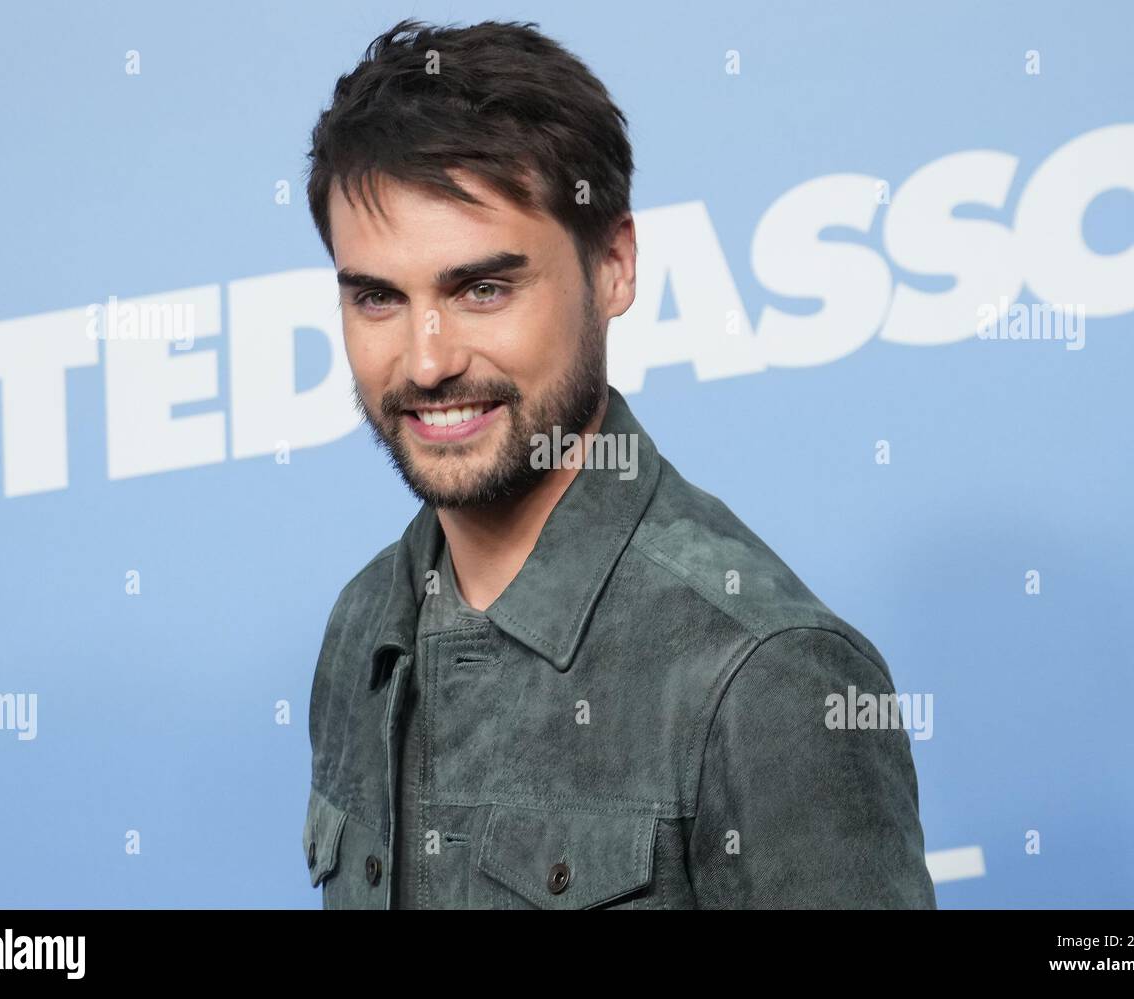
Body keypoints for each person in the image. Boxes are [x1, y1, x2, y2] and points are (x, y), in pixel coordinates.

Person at [301, 16, 936, 909]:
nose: (429, 359)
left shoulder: (768, 676)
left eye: (482, 288)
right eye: (377, 298)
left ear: (614, 265)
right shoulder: (363, 625)